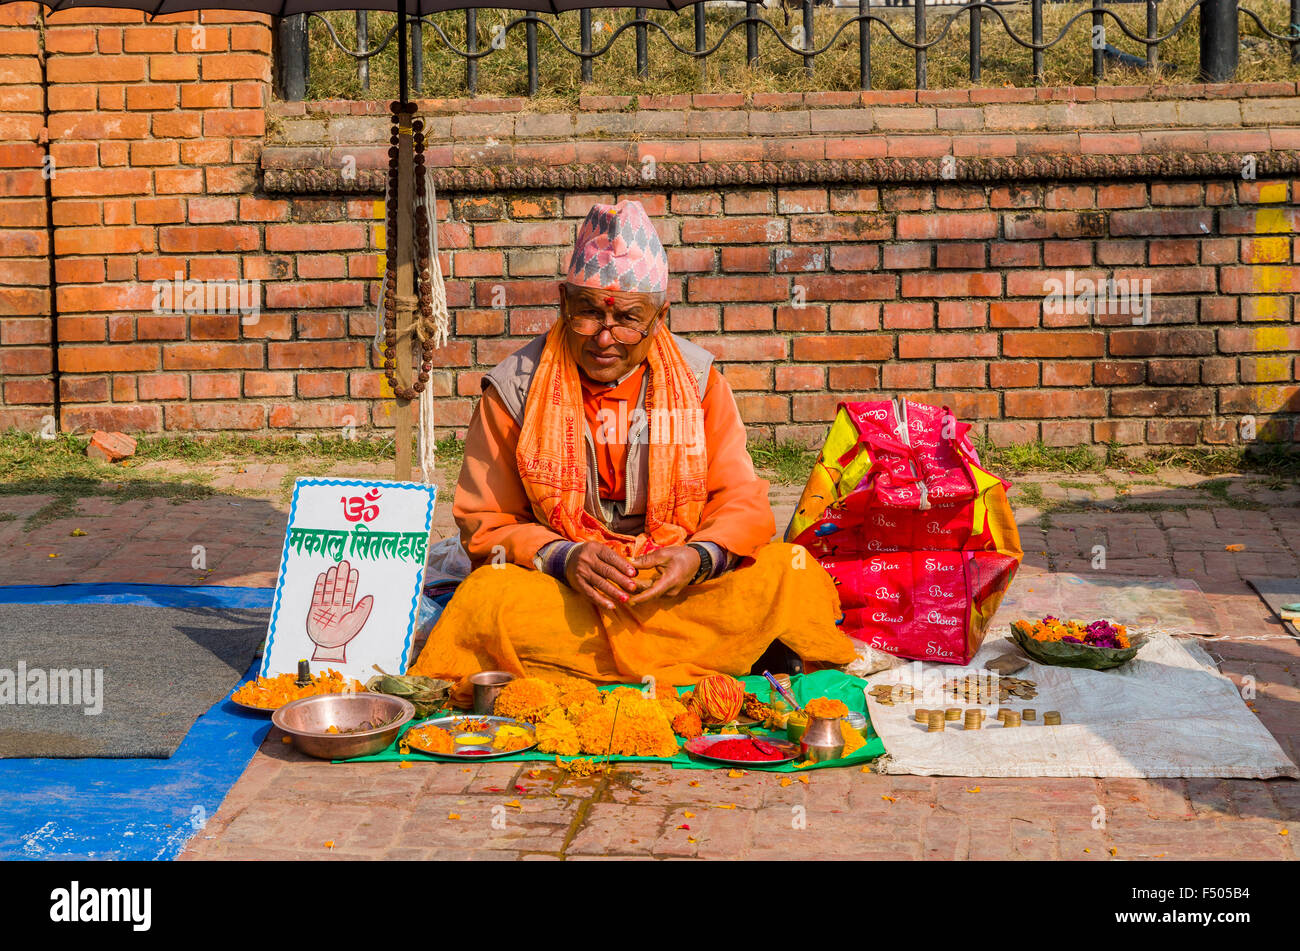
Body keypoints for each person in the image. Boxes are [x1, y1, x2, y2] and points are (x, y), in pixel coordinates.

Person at [407, 200, 853, 701]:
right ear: (562, 302)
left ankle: (594, 667)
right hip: (567, 592)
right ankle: (714, 658)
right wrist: (563, 557)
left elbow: (742, 503)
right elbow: (485, 520)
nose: (604, 337)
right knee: (488, 597)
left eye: (628, 319)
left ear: (662, 315)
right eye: (588, 313)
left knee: (789, 573)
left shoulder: (700, 380)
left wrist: (696, 559)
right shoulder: (515, 388)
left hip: (676, 589)